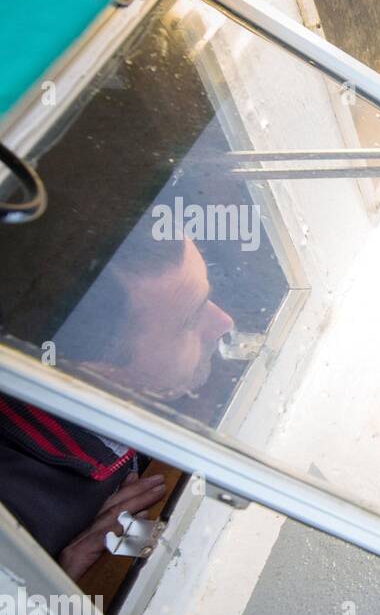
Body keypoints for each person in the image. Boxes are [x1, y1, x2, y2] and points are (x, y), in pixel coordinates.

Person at [0, 232, 233, 578]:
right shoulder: (18, 528)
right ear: (99, 371)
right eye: (190, 320)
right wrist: (51, 589)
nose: (225, 322)